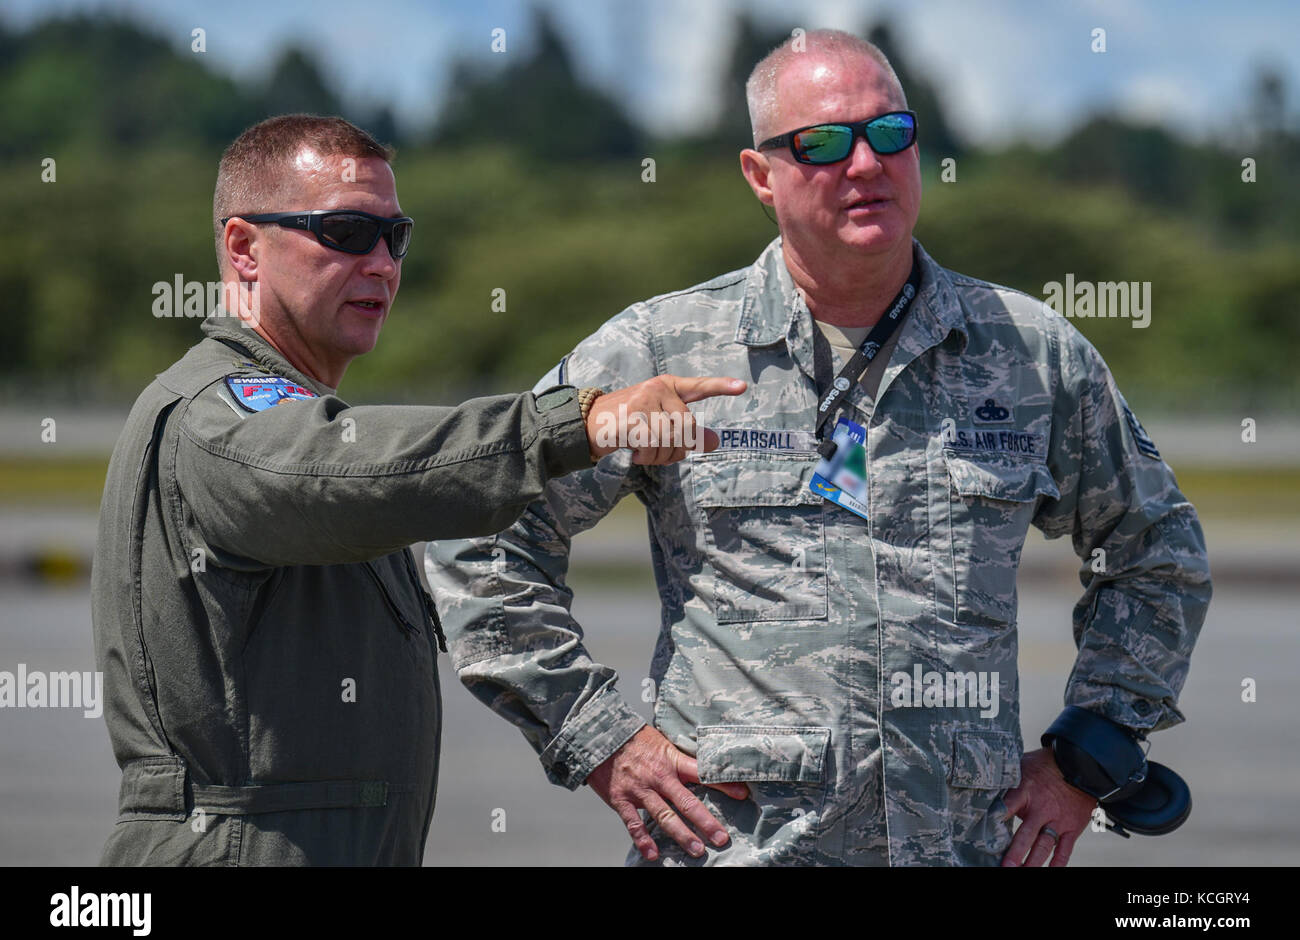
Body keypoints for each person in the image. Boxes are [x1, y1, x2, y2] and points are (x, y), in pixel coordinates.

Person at [425, 31, 1212, 866]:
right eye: (823, 143)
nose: (866, 164)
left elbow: (1157, 552)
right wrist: (599, 741)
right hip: (739, 851)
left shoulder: (1031, 353)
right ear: (761, 177)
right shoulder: (666, 349)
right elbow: (480, 535)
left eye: (891, 134)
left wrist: (1087, 756)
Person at [90, 114, 743, 866]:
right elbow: (340, 473)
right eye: (343, 232)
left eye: (393, 237)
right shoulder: (220, 413)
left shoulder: (284, 409)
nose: (380, 263)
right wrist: (576, 423)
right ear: (244, 248)